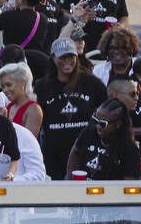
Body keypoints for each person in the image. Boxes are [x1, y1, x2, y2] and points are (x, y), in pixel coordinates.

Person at [34, 37, 108, 179]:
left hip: (86, 153)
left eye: (71, 56)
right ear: (53, 58)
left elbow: (107, 111)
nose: (67, 61)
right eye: (62, 57)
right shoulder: (41, 87)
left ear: (77, 57)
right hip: (53, 156)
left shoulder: (92, 83)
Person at [0, 61, 42, 137]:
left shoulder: (33, 109)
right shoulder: (9, 107)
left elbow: (27, 143)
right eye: (3, 86)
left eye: (9, 85)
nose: (5, 90)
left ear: (22, 83)